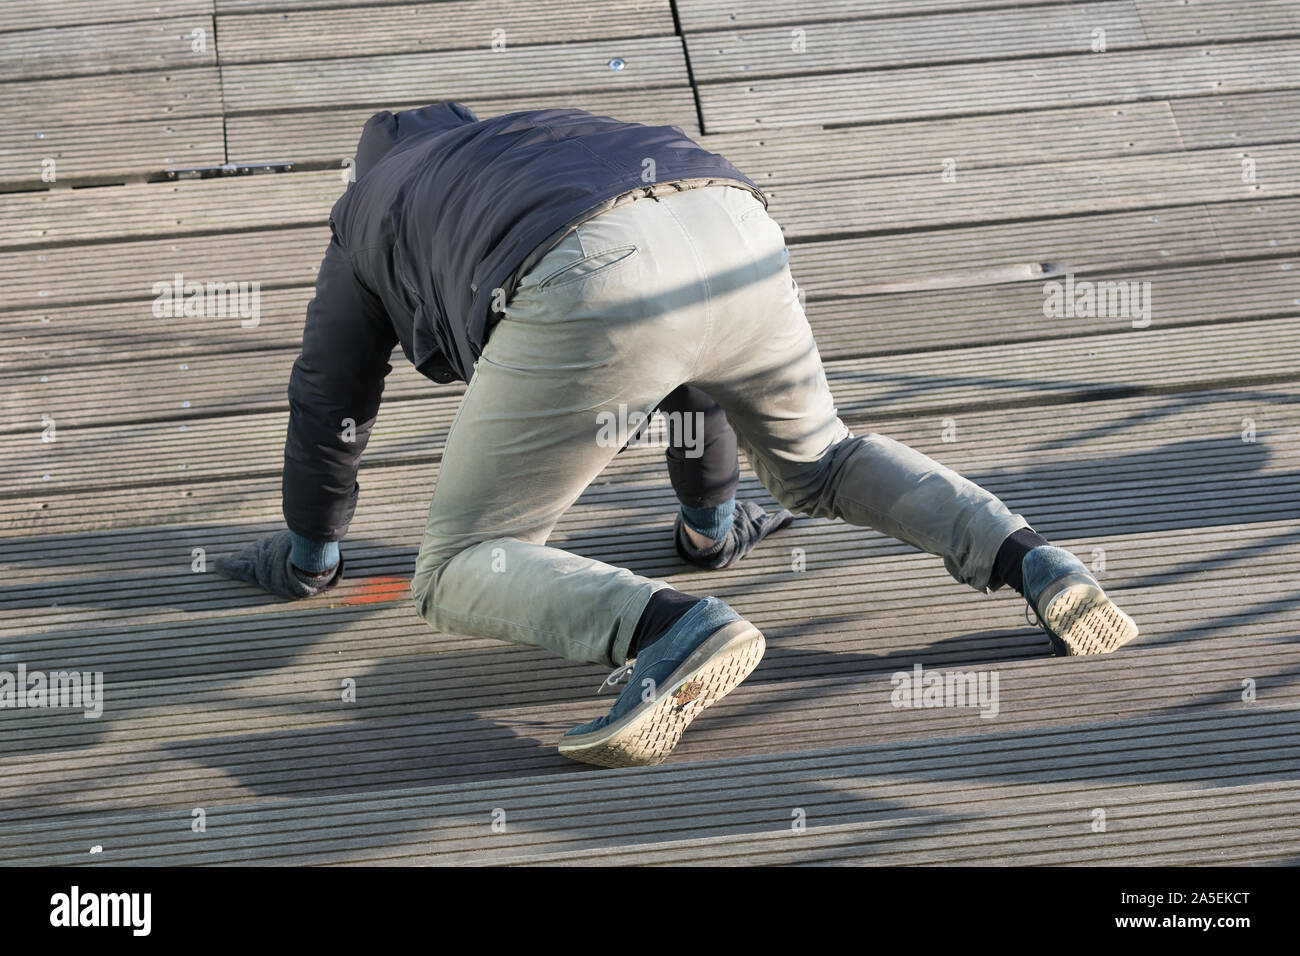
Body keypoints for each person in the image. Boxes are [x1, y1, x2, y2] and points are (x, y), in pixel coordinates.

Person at [215, 103, 1138, 769]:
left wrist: (310, 554)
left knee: (458, 563)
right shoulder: (532, 134)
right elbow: (687, 362)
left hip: (588, 270)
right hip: (735, 224)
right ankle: (1036, 562)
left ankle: (673, 631)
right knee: (821, 460)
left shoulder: (368, 207)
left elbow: (327, 397)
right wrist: (710, 524)